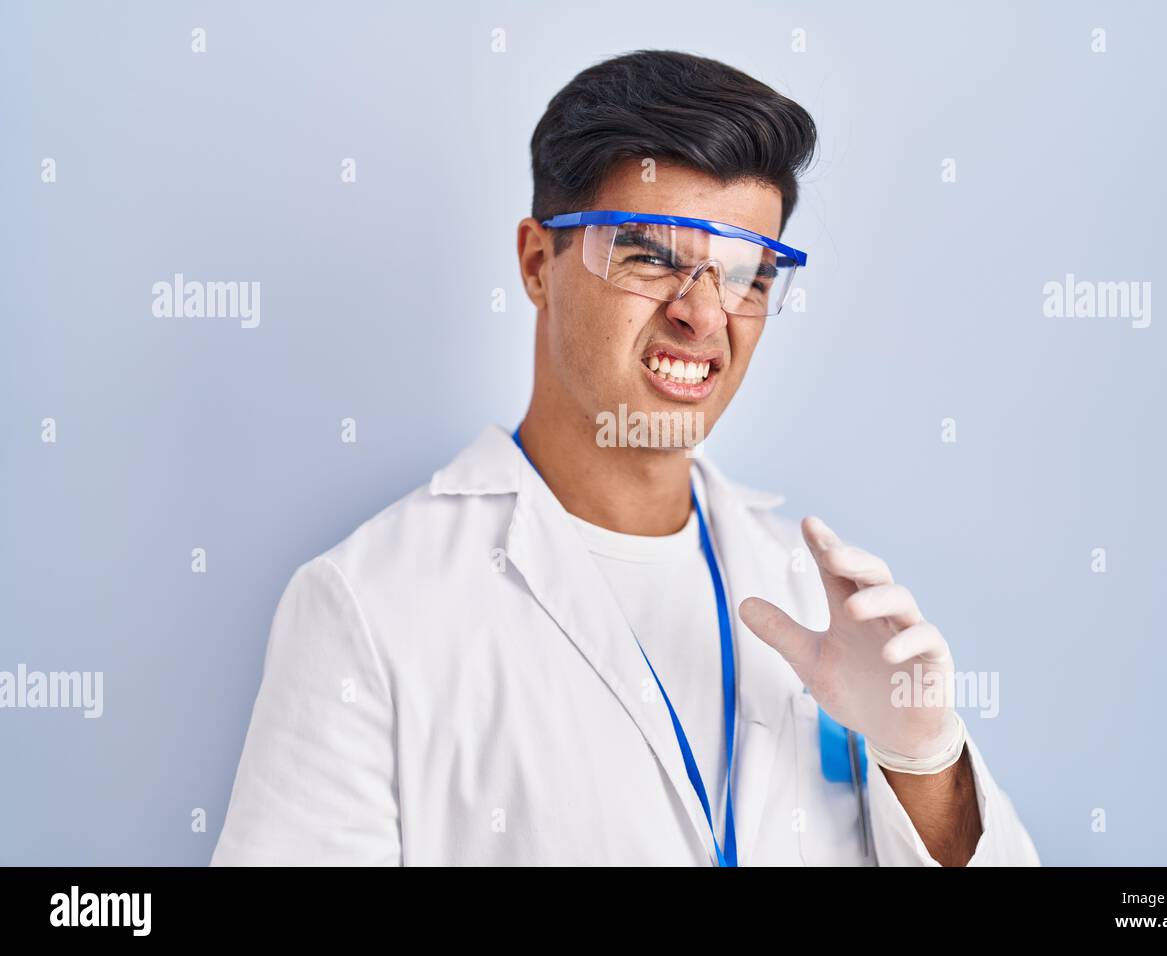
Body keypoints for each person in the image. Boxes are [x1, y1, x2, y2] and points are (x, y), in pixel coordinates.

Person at [211, 49, 1039, 866]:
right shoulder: (372, 605)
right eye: (649, 256)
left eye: (746, 275)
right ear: (538, 263)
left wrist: (922, 761)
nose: (704, 316)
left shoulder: (812, 591)